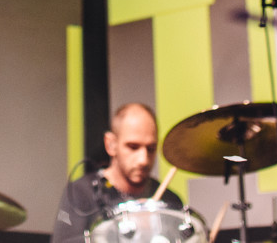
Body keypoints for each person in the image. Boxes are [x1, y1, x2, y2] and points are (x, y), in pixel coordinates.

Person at [51, 103, 184, 243]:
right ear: (111, 144)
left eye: (151, 148)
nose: (143, 160)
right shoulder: (81, 192)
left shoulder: (169, 201)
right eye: (133, 147)